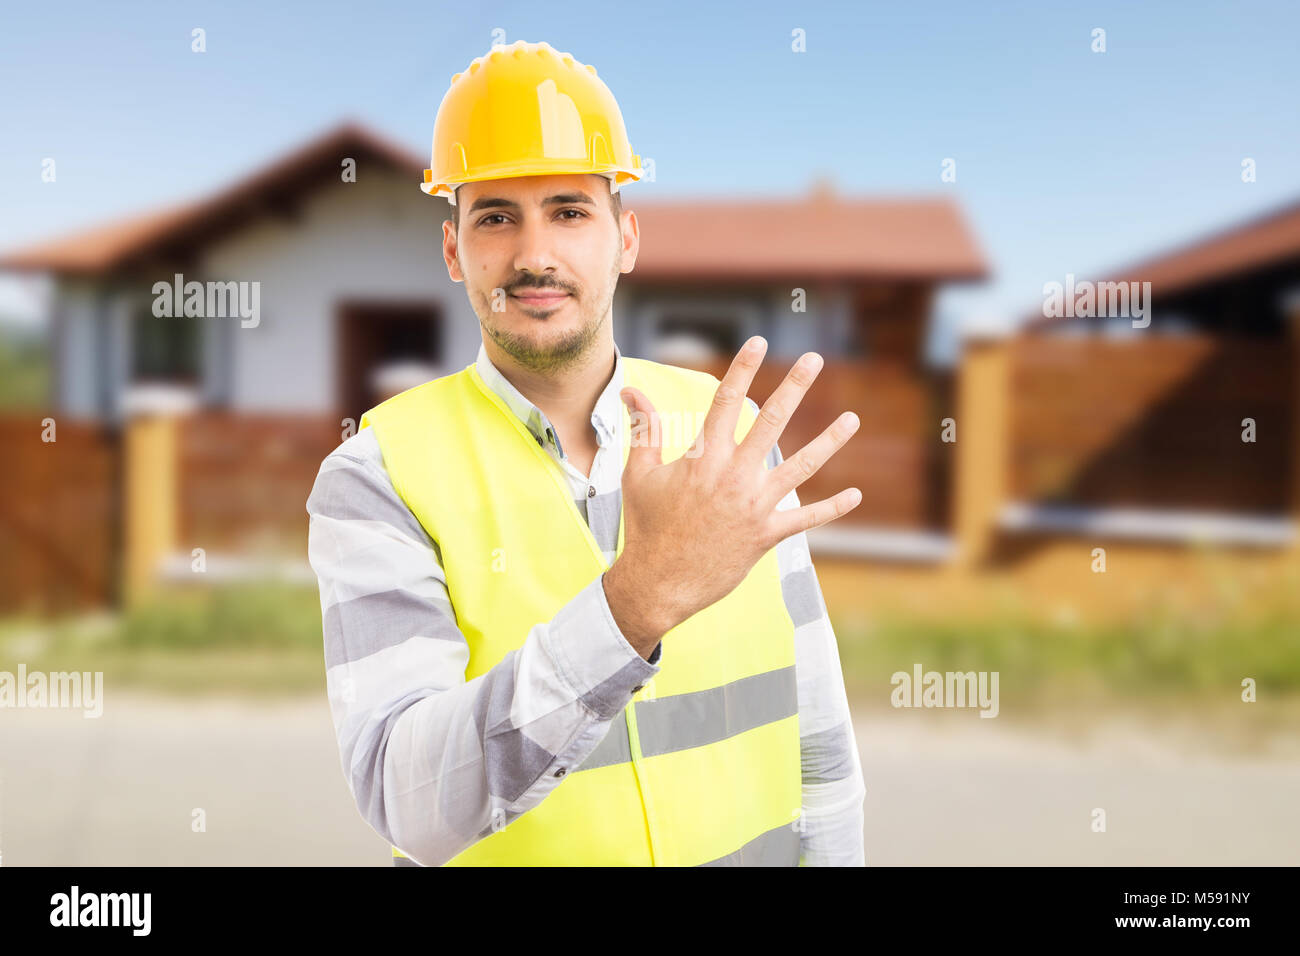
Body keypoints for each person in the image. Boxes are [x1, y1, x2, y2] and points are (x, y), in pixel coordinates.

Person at [306, 39, 867, 866]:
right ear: (455, 250)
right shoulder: (378, 473)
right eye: (496, 216)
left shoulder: (729, 433)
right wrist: (632, 605)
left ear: (625, 237)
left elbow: (821, 746)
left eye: (569, 210)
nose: (535, 254)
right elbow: (407, 800)